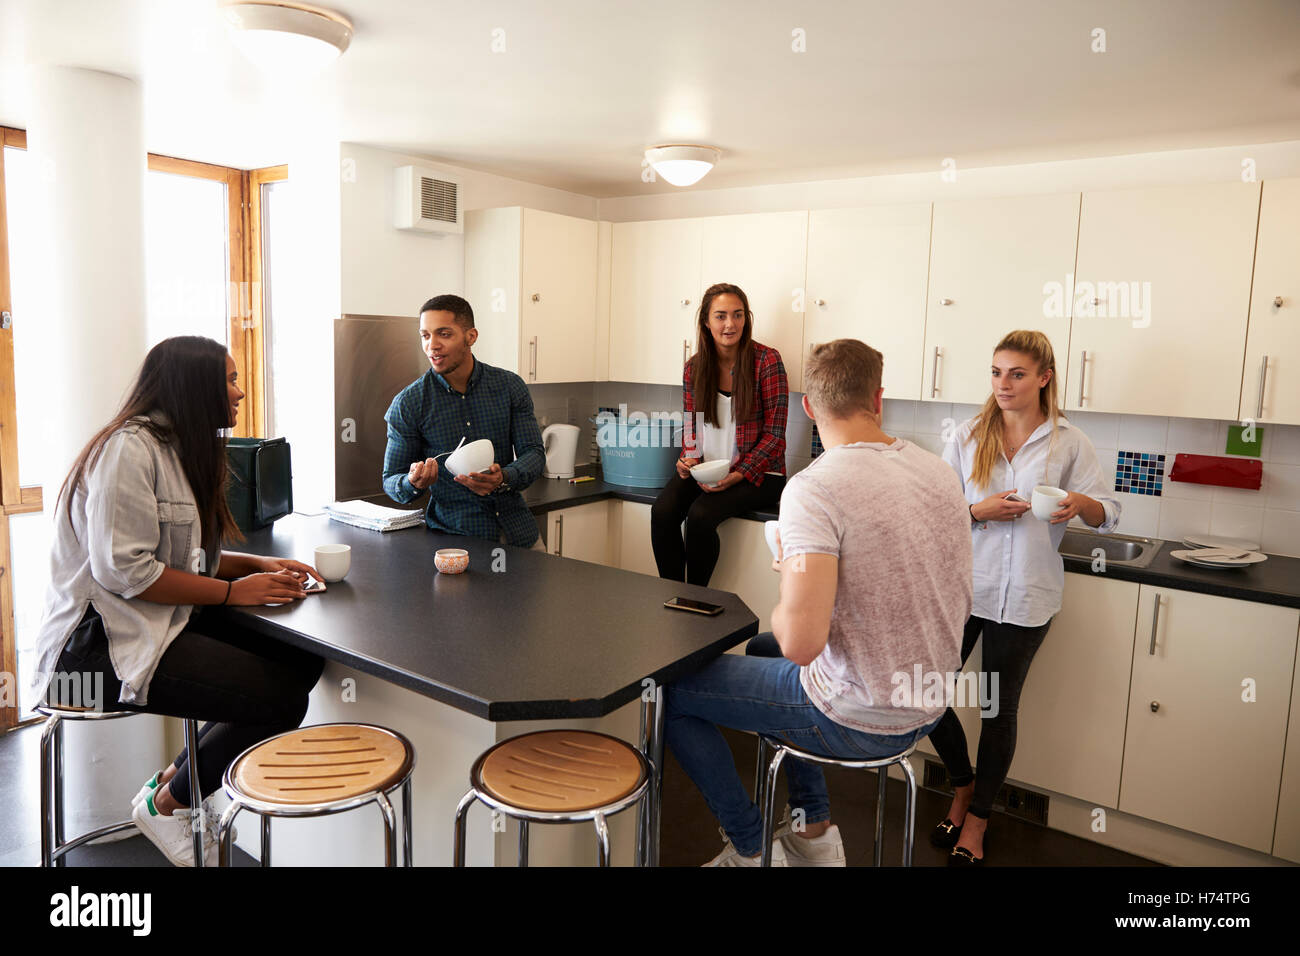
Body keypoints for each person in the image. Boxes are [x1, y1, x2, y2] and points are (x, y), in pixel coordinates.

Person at [664, 339, 971, 865]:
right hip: (929, 707)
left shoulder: (816, 487)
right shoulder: (938, 472)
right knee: (762, 650)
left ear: (809, 405)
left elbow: (802, 644)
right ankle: (813, 830)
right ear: (879, 398)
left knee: (669, 692)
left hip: (857, 715)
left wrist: (789, 578)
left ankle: (749, 847)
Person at [31, 335, 326, 867]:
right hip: (90, 656)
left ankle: (170, 784)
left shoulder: (177, 447)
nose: (239, 392)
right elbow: (126, 570)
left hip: (147, 624)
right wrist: (234, 593)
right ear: (194, 388)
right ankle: (171, 803)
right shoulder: (128, 449)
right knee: (282, 698)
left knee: (302, 660)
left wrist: (255, 566)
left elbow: (184, 559)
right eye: (230, 381)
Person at [927, 329, 1121, 865]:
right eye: (996, 372)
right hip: (964, 590)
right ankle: (961, 786)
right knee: (925, 696)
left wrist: (1082, 502)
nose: (1003, 384)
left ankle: (979, 820)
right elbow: (936, 514)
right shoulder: (967, 436)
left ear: (1044, 378)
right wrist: (974, 512)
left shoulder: (1069, 442)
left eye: (1016, 374)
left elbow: (1110, 516)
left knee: (997, 711)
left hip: (1027, 598)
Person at [383, 294, 547, 551]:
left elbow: (534, 453)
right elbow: (391, 479)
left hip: (520, 537)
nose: (432, 345)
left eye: (444, 334)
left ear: (470, 337)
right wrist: (412, 482)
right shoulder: (409, 403)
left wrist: (504, 477)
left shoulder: (509, 386)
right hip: (456, 545)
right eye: (425, 336)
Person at [651, 283, 788, 586]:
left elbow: (775, 437)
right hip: (708, 470)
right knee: (662, 511)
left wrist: (737, 474)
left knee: (700, 517)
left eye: (738, 315)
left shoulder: (767, 362)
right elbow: (692, 426)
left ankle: (695, 600)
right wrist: (688, 458)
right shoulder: (694, 368)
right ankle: (672, 594)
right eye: (721, 316)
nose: (730, 324)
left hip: (761, 476)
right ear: (706, 321)